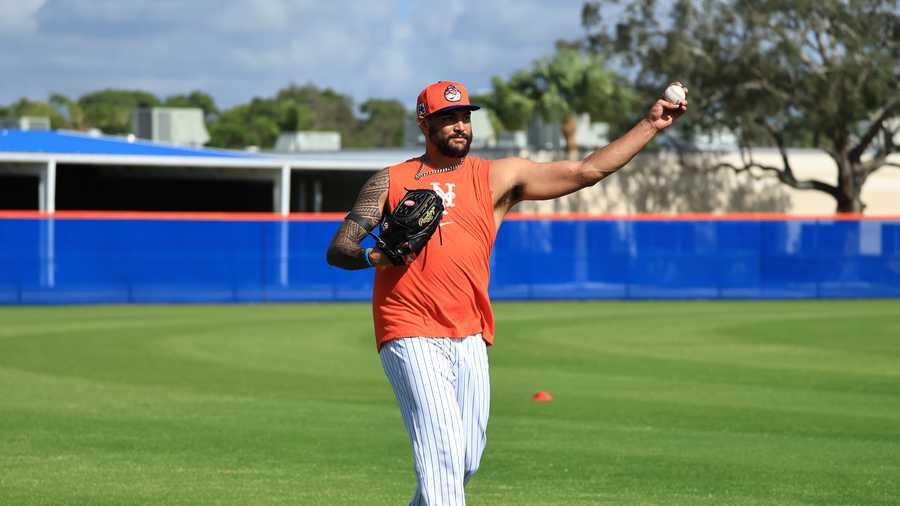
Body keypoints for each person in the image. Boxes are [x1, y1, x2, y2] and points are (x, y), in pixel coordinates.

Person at [326, 80, 687, 505]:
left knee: (463, 460)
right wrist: (376, 258)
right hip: (408, 329)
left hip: (470, 333)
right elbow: (340, 249)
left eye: (464, 117)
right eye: (448, 118)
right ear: (425, 123)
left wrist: (650, 123)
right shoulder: (391, 180)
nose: (460, 126)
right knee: (441, 456)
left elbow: (585, 171)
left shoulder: (496, 176)